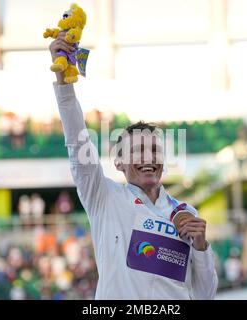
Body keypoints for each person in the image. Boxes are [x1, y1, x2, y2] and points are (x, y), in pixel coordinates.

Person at [49, 33, 218, 299]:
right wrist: (64, 84)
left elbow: (205, 294)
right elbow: (77, 142)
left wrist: (200, 246)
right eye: (138, 151)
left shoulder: (186, 214)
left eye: (154, 150)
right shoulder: (104, 197)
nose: (148, 158)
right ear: (119, 163)